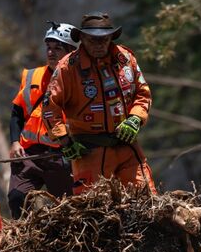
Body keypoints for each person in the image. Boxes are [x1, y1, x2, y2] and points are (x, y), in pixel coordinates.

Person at [43, 12, 154, 192]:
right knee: (92, 205)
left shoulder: (125, 59)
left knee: (146, 199)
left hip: (127, 146)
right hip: (89, 152)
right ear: (82, 39)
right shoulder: (68, 67)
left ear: (111, 38)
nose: (99, 45)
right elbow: (50, 107)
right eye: (92, 40)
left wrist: (135, 118)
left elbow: (143, 92)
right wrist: (64, 140)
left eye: (104, 39)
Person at [7, 22, 78, 216]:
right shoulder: (32, 76)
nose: (51, 53)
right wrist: (14, 142)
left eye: (57, 48)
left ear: (71, 52)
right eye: (48, 47)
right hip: (29, 154)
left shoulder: (80, 82)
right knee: (17, 199)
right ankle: (23, 234)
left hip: (61, 157)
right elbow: (16, 113)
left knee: (69, 210)